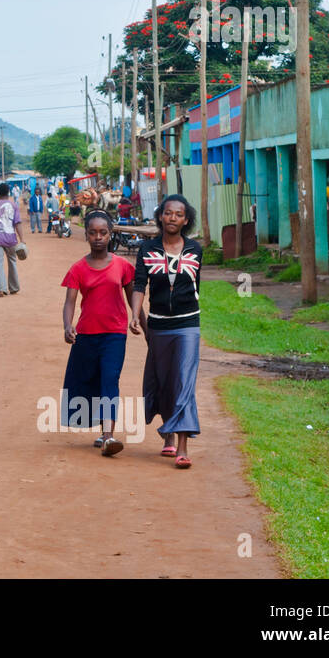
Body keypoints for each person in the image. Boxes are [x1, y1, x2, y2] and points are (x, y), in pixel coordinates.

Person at [129, 194, 203, 469]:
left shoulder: (195, 249)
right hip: (158, 325)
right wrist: (135, 315)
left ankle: (183, 446)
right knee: (163, 380)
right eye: (168, 213)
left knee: (183, 382)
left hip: (187, 325)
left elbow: (195, 287)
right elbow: (139, 285)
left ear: (186, 220)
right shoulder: (147, 249)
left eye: (178, 214)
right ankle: (168, 434)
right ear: (160, 216)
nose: (172, 218)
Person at [61, 210, 140, 456]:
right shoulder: (78, 269)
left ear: (110, 234)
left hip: (114, 335)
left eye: (103, 232)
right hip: (86, 335)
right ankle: (101, 429)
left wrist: (143, 325)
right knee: (90, 381)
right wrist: (67, 325)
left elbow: (133, 300)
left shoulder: (123, 266)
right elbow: (70, 302)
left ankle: (108, 436)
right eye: (93, 233)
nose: (98, 237)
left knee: (110, 379)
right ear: (85, 235)